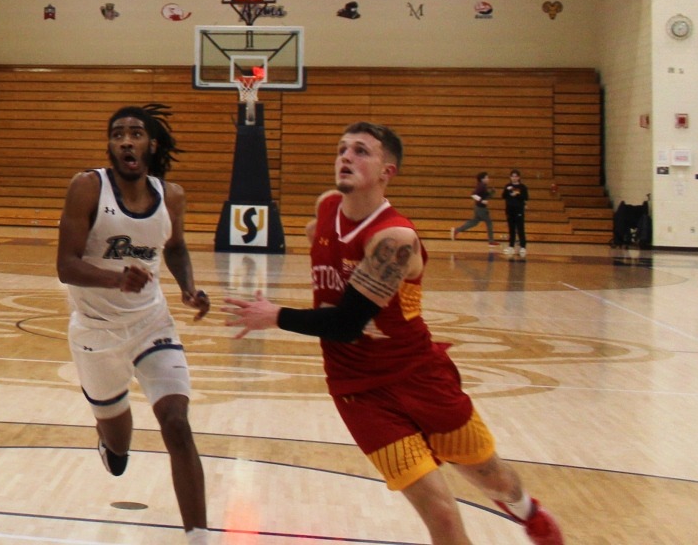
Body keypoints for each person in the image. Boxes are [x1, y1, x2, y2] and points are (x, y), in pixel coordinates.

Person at [227, 122, 565, 545]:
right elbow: (321, 236)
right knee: (440, 511)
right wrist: (322, 245)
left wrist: (274, 315)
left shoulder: (395, 238)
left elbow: (347, 324)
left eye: (361, 151)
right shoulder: (327, 206)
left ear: (387, 171)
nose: (346, 156)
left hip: (419, 375)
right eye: (342, 148)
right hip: (358, 390)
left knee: (490, 475)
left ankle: (527, 511)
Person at [58, 106, 211, 541]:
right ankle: (109, 442)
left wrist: (189, 288)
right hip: (95, 331)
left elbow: (175, 247)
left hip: (151, 324)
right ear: (110, 145)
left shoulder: (171, 196)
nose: (126, 140)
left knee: (177, 424)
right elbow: (66, 266)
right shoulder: (88, 187)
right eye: (118, 134)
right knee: (119, 448)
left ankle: (199, 536)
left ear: (151, 145)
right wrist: (116, 279)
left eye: (136, 133)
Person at [451, 171, 495, 245]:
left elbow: (485, 196)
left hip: (478, 207)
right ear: (482, 179)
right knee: (489, 222)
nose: (488, 179)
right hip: (481, 208)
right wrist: (481, 201)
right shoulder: (481, 186)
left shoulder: (482, 186)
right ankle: (491, 241)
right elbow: (473, 194)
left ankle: (457, 230)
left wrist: (491, 193)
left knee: (473, 222)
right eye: (487, 177)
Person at [502, 170, 530, 258]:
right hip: (510, 210)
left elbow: (526, 197)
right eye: (512, 176)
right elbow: (503, 196)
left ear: (519, 177)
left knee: (520, 229)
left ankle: (523, 247)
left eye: (515, 176)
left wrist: (517, 194)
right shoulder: (507, 186)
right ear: (510, 177)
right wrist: (506, 190)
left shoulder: (522, 187)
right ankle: (511, 246)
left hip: (519, 211)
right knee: (511, 229)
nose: (514, 178)